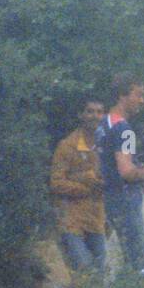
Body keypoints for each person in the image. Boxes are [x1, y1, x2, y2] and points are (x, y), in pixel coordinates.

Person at [95, 75, 144, 274]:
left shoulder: (103, 124)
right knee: (137, 264)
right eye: (138, 95)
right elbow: (126, 171)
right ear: (122, 96)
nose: (142, 100)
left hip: (105, 198)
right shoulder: (125, 130)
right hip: (125, 200)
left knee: (102, 257)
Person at [50, 95, 107, 274]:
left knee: (99, 274)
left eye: (99, 112)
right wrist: (86, 187)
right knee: (83, 269)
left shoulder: (107, 146)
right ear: (80, 115)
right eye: (90, 111)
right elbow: (56, 183)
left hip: (97, 221)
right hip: (72, 221)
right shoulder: (67, 146)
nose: (94, 116)